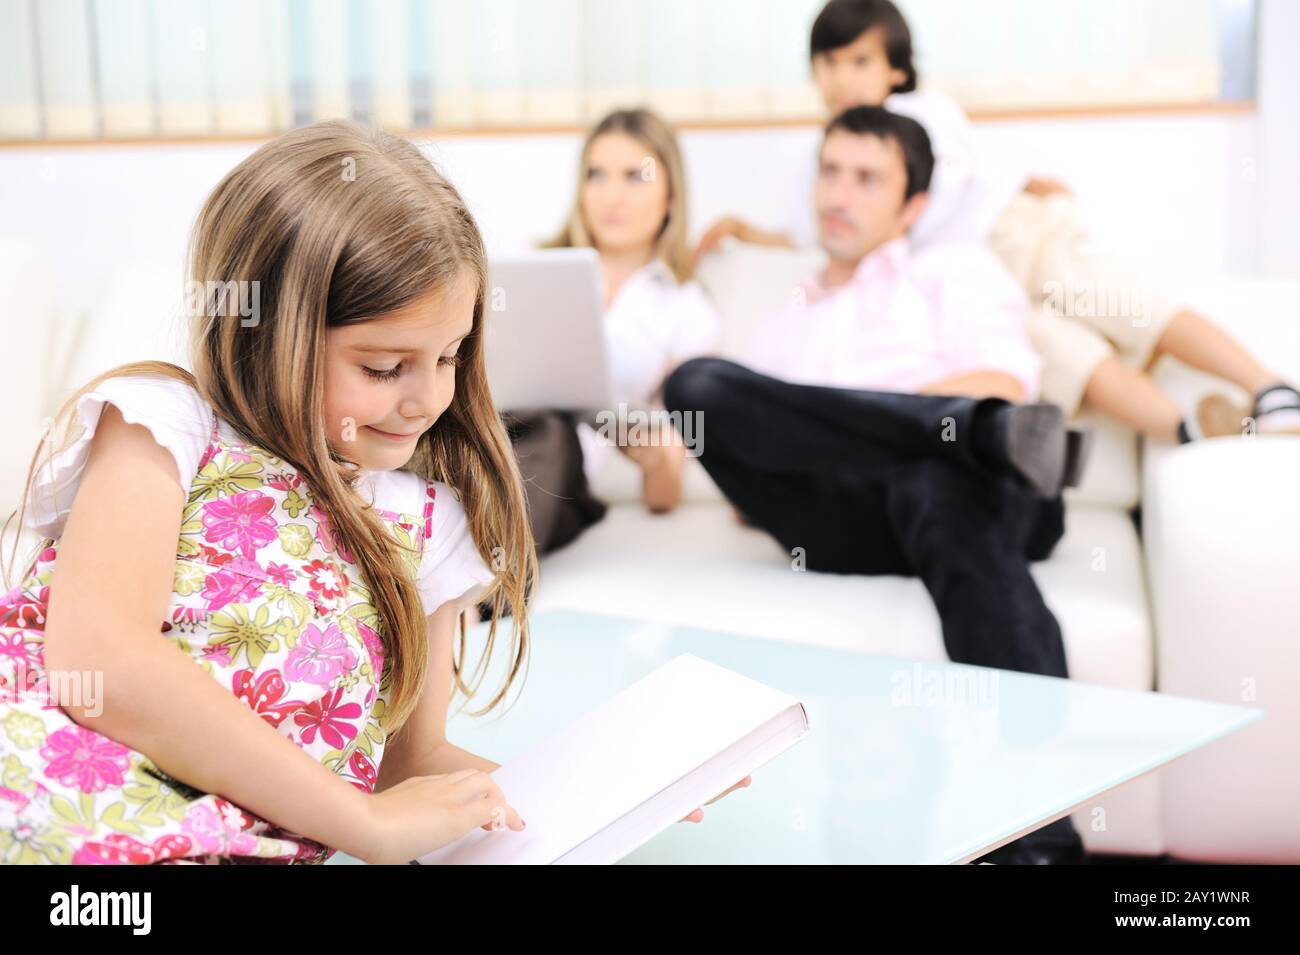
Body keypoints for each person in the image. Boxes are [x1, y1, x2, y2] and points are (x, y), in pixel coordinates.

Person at [0, 119, 744, 865]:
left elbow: (408, 767)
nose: (429, 398)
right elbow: (99, 658)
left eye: (450, 355)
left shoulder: (431, 522)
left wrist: (618, 785)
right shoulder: (165, 426)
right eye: (386, 367)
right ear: (266, 334)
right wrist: (365, 825)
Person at [664, 105, 1088, 864]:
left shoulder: (951, 270)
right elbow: (746, 466)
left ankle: (1041, 838)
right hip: (848, 516)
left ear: (912, 205)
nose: (838, 194)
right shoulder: (789, 313)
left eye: (866, 178)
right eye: (830, 171)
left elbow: (1004, 387)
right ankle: (948, 432)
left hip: (974, 484)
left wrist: (853, 426)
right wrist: (893, 423)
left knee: (945, 470)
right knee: (697, 384)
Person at [696, 0, 1300, 444]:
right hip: (977, 276)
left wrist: (1032, 185)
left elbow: (978, 170)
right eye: (826, 63)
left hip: (1012, 234)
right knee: (1067, 358)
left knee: (1123, 304)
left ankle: (1268, 384)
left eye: (858, 60)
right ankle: (1188, 429)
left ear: (897, 71)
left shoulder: (921, 114)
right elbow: (827, 231)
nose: (840, 78)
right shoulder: (834, 153)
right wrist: (751, 233)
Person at [500, 107, 723, 562]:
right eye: (596, 175)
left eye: (635, 176)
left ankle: (478, 595)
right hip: (489, 433)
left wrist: (651, 454)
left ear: (672, 197)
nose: (611, 195)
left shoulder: (686, 310)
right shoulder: (528, 268)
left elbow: (664, 494)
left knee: (554, 433)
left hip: (560, 472)